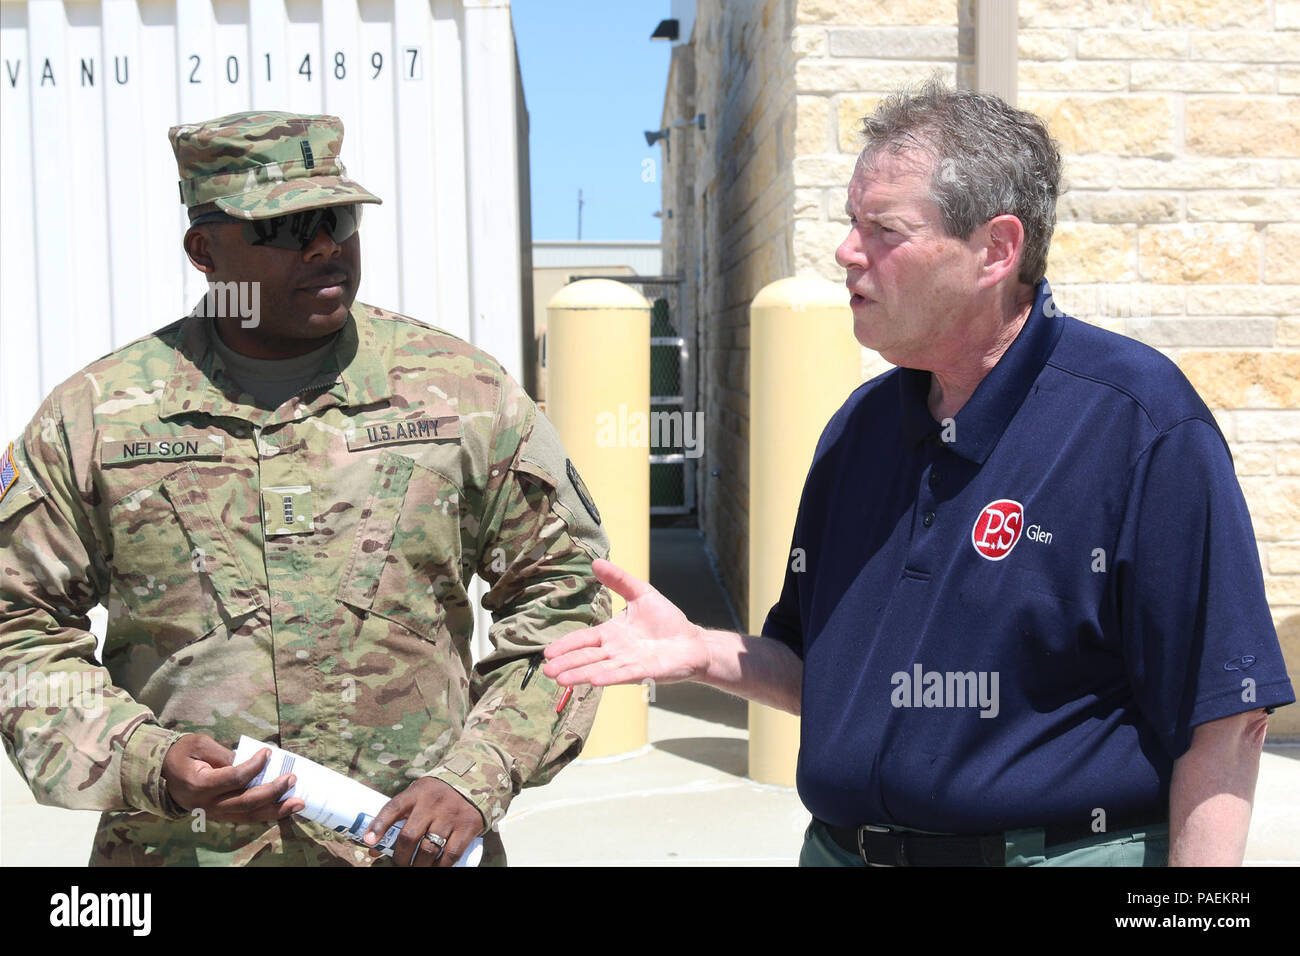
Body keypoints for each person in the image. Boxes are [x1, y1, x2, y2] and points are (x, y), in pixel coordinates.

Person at [543, 81, 1295, 867]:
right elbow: (816, 674)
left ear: (995, 251)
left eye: (885, 230)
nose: (847, 251)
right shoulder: (860, 430)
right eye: (851, 223)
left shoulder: (1138, 423)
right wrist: (702, 651)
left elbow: (1227, 715)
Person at [0, 110, 611, 867]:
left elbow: (567, 597)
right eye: (284, 228)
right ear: (203, 251)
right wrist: (144, 760)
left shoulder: (462, 394)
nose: (323, 245)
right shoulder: (97, 415)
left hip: (409, 853)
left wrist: (479, 772)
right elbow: (18, 628)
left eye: (338, 219)